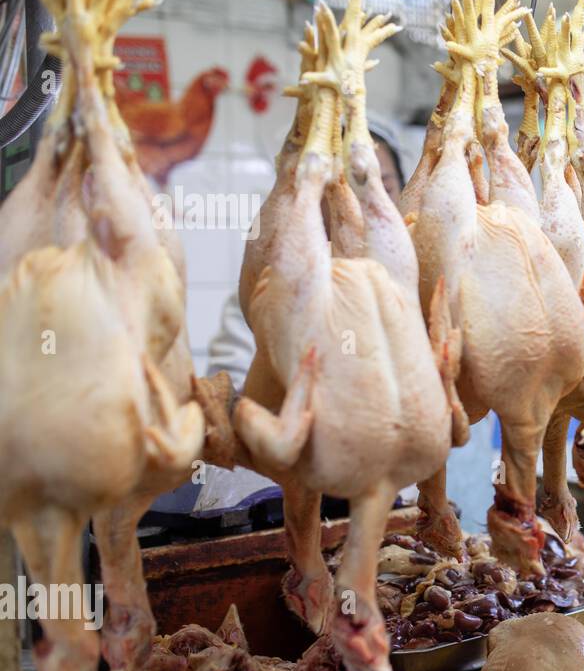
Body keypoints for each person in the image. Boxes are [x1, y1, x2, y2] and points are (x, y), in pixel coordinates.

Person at [206, 120, 497, 532]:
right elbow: (243, 409)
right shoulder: (275, 295)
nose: (358, 202)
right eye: (339, 184)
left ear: (400, 191)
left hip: (458, 525)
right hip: (312, 525)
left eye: (376, 183)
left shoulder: (440, 288)